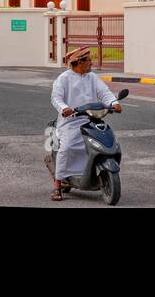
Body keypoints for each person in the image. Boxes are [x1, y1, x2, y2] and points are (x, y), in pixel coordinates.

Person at [49, 45, 121, 201]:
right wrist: (65, 108)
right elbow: (56, 98)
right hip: (70, 121)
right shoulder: (64, 78)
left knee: (100, 142)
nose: (91, 63)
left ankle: (90, 174)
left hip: (91, 119)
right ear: (79, 62)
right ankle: (57, 185)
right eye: (88, 60)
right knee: (67, 147)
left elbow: (104, 92)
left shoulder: (92, 77)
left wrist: (114, 102)